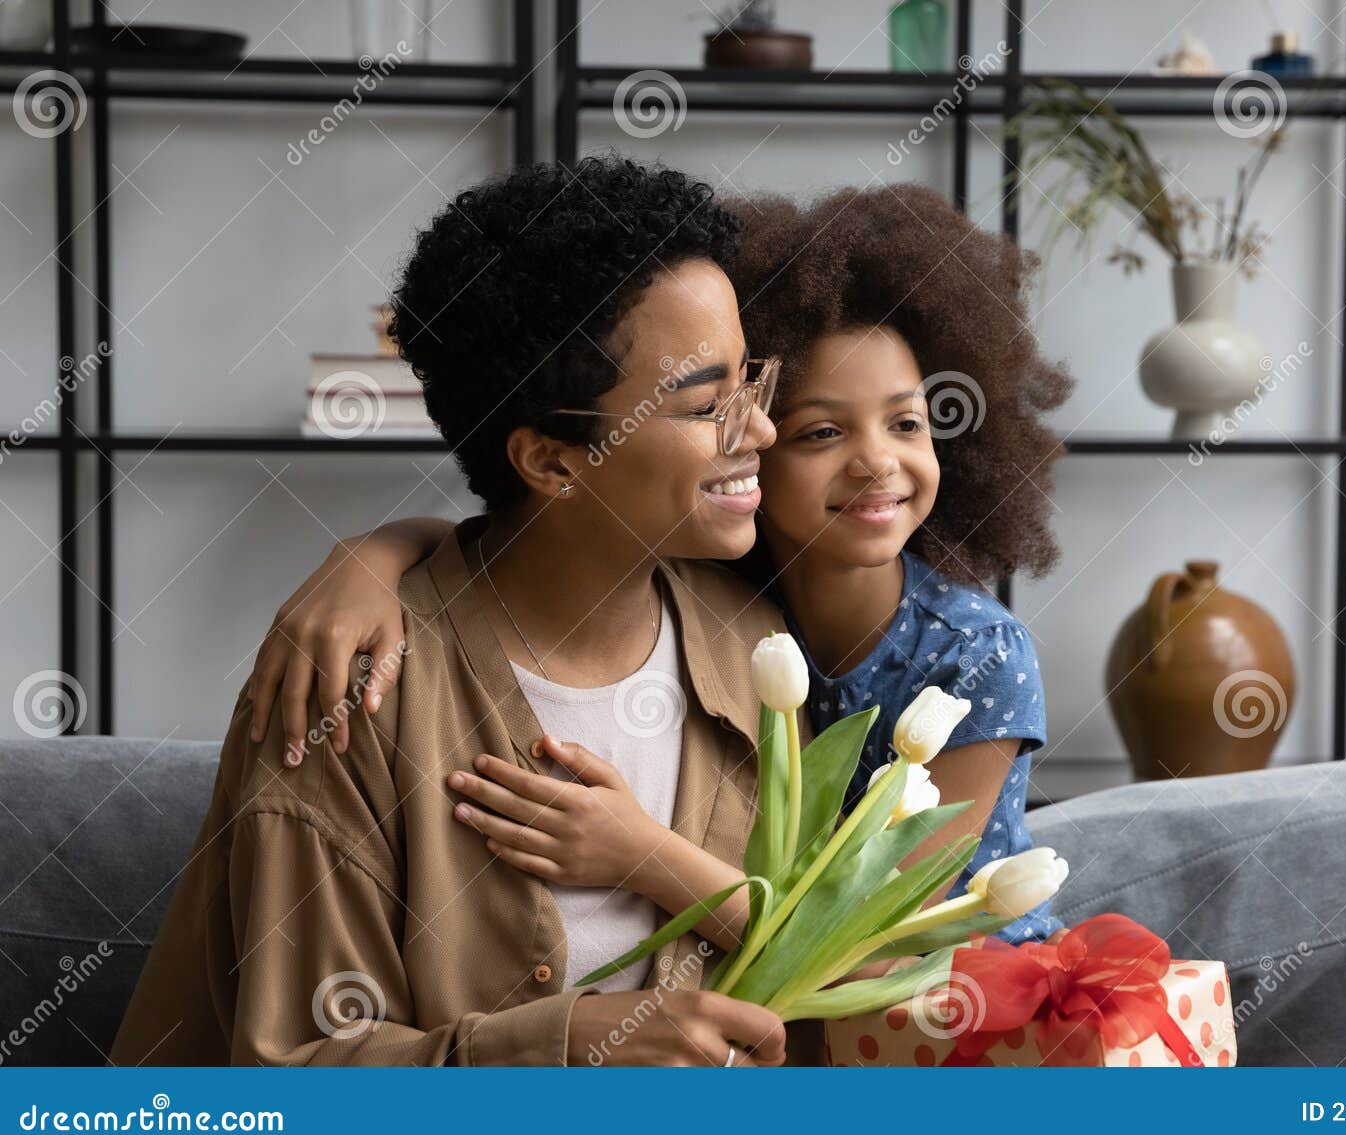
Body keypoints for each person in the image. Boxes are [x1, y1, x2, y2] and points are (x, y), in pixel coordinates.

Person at [244, 184, 1076, 949]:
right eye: (817, 430)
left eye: (908, 424)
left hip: (962, 1009)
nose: (760, 433)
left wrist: (641, 852)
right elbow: (532, 536)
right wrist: (376, 552)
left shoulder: (969, 653)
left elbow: (874, 940)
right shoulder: (729, 586)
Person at [110, 156, 796, 1067]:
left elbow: (837, 952)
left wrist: (381, 543)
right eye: (711, 403)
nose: (762, 431)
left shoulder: (755, 642)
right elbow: (295, 1074)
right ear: (552, 462)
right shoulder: (345, 694)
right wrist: (563, 1050)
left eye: (754, 381)